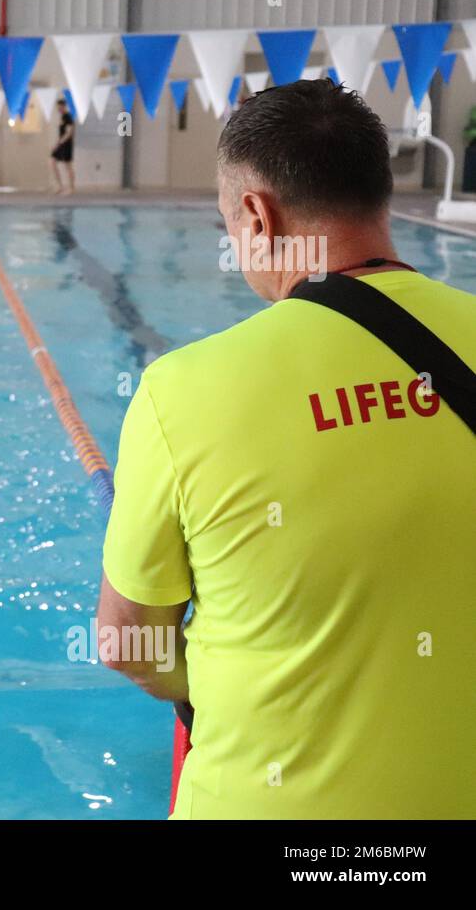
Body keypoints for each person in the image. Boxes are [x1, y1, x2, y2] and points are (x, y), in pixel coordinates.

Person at [97, 79, 476, 818]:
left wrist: (212, 671)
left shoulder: (183, 392)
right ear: (380, 192)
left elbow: (127, 645)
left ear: (257, 216)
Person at [50, 97, 75, 195]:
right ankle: (60, 186)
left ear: (64, 106)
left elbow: (69, 133)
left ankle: (71, 188)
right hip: (61, 144)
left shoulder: (68, 117)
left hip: (66, 144)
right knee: (52, 162)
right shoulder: (63, 117)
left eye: (60, 107)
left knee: (68, 166)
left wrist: (58, 144)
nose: (58, 109)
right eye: (58, 108)